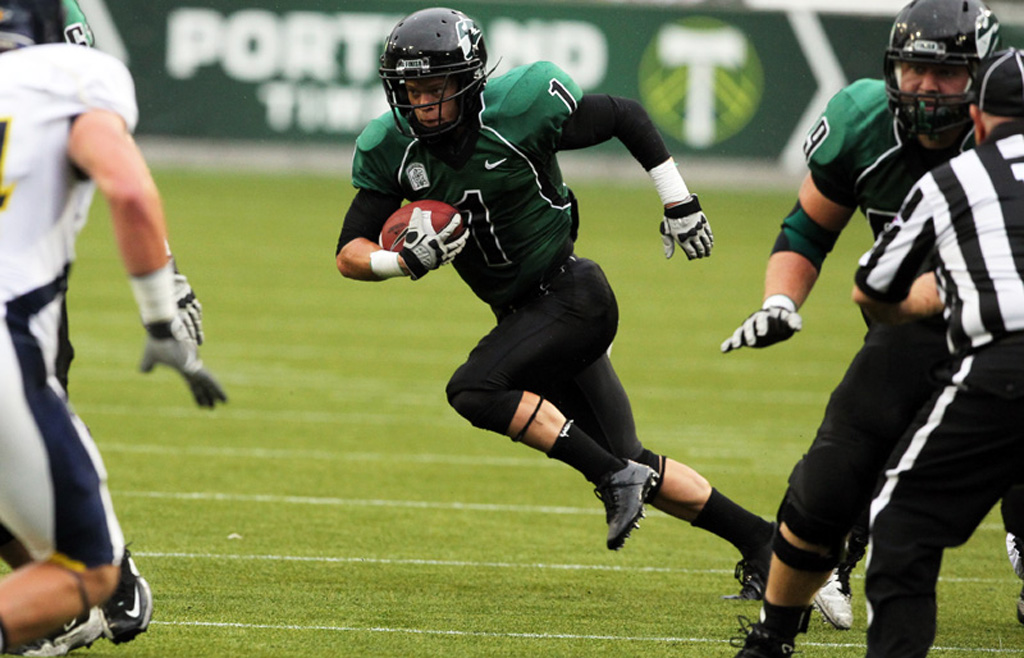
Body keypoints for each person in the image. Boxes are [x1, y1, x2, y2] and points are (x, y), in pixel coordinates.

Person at [336, 6, 775, 596]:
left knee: (474, 390)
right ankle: (762, 543)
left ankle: (612, 478)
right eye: (410, 90)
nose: (420, 104)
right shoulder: (393, 148)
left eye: (434, 88)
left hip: (574, 296)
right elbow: (348, 251)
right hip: (526, 317)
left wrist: (679, 200)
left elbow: (624, 113)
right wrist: (399, 262)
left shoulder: (521, 109)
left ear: (469, 82)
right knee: (632, 454)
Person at [723, 0, 1022, 653]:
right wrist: (781, 301)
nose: (924, 87)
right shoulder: (862, 123)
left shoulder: (1007, 133)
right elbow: (806, 228)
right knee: (826, 481)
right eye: (914, 69)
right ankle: (773, 635)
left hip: (1004, 334)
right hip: (908, 335)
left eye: (944, 75)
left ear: (983, 79)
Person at [0, 0, 226, 653]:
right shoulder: (71, 74)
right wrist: (160, 311)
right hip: (8, 332)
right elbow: (128, 190)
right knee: (88, 569)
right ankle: (99, 589)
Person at [852, 46, 1024, 656]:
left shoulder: (958, 176)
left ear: (976, 118)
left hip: (1002, 363)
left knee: (900, 524)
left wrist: (949, 288)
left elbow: (871, 287)